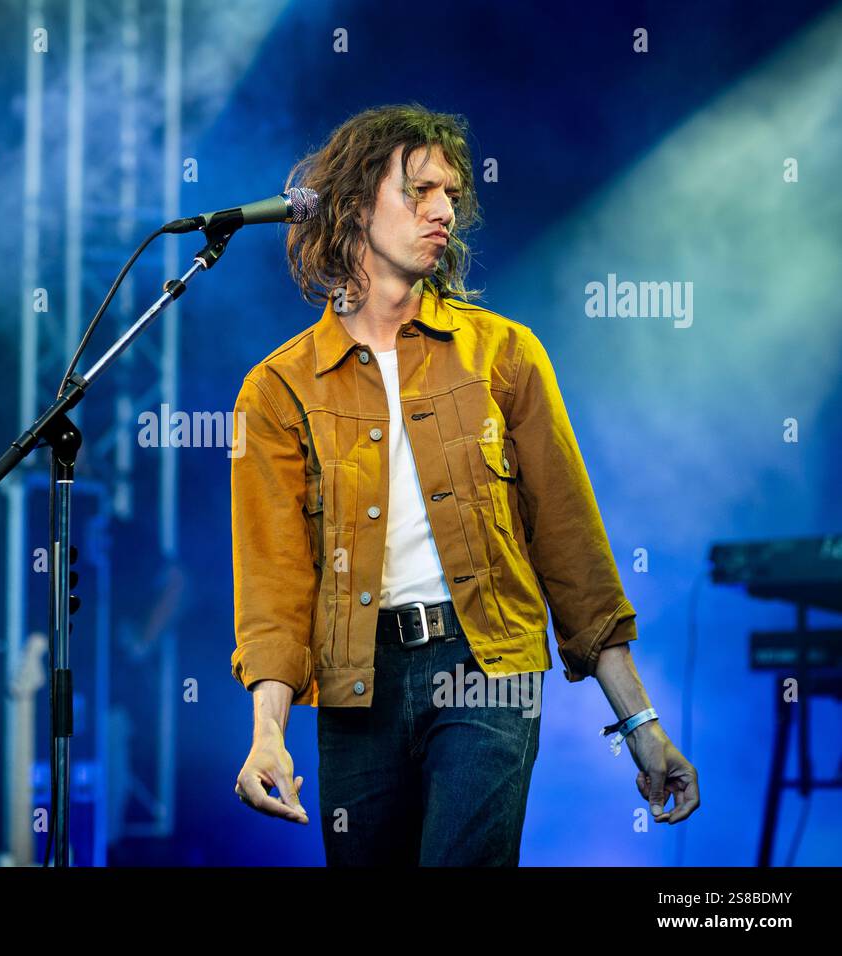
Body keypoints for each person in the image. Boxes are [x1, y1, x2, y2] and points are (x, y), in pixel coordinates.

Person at [229, 104, 699, 865]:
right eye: (418, 191)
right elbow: (274, 585)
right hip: (357, 685)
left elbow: (573, 554)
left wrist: (641, 726)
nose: (444, 209)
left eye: (451, 193)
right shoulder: (278, 389)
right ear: (351, 207)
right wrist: (268, 735)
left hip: (487, 663)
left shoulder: (505, 355)